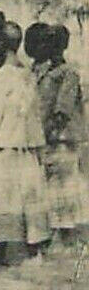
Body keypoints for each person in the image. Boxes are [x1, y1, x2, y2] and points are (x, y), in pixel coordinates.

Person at [0, 20, 51, 264]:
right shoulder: (28, 75)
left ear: (0, 45)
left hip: (3, 147)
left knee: (1, 198)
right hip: (25, 146)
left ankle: (3, 248)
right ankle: (32, 250)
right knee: (27, 199)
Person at [31, 23, 86, 252]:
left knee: (64, 187)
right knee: (50, 187)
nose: (48, 46)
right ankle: (55, 234)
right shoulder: (41, 71)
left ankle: (67, 237)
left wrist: (47, 132)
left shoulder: (68, 73)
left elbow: (61, 111)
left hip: (61, 139)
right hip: (46, 137)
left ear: (62, 46)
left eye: (53, 42)